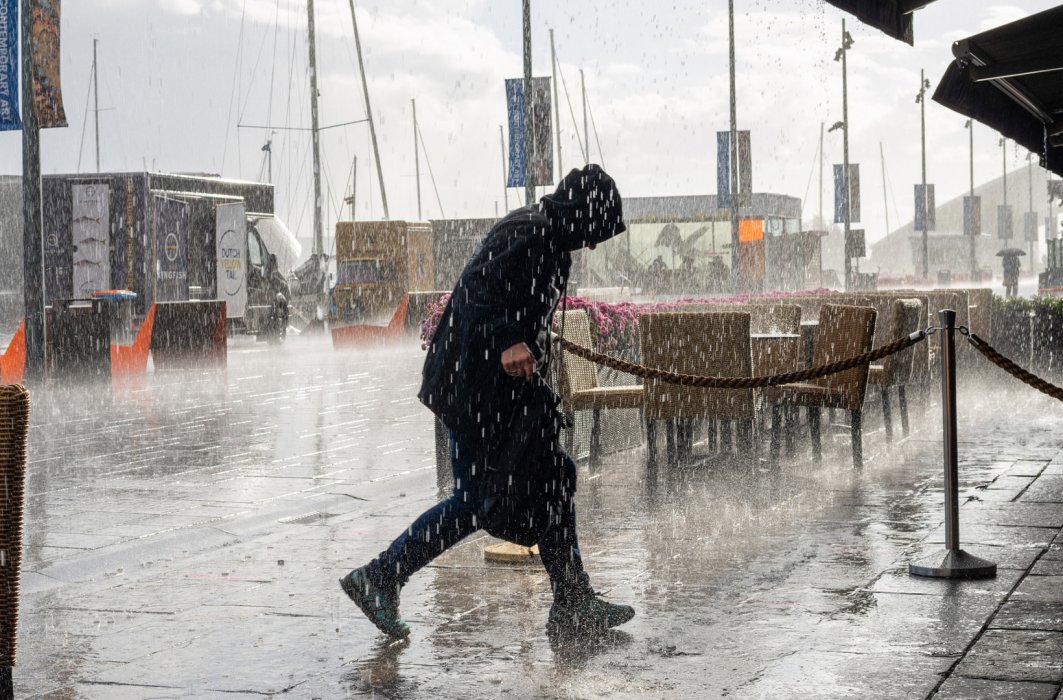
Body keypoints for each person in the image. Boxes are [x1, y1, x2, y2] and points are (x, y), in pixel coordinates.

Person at [339, 164, 635, 638]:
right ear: (582, 214)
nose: (595, 243)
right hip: (470, 388)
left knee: (555, 478)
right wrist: (506, 341)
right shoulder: (530, 233)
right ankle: (381, 575)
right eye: (596, 231)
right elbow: (477, 293)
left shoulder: (550, 240)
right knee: (476, 500)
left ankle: (573, 601)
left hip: (497, 391)